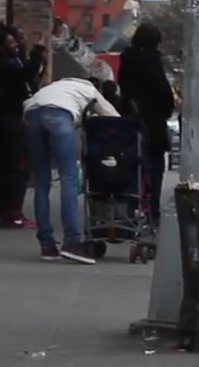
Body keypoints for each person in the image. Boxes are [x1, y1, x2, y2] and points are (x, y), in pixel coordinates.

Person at [22, 77, 120, 264]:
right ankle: (72, 242)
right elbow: (113, 118)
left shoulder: (56, 86)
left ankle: (46, 243)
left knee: (42, 181)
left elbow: (31, 103)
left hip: (32, 113)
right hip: (60, 115)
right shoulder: (90, 90)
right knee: (69, 176)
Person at [0, 23, 42, 229]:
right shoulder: (0, 66)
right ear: (0, 47)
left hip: (10, 118)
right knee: (17, 165)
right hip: (9, 119)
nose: (16, 45)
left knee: (6, 164)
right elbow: (25, 75)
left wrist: (25, 50)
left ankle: (5, 210)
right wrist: (38, 51)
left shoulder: (12, 60)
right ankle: (12, 212)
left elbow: (28, 76)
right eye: (11, 43)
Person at [116, 23, 176, 221]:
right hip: (152, 122)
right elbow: (162, 89)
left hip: (131, 122)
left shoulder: (127, 59)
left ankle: (132, 206)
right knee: (155, 167)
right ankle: (152, 209)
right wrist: (167, 108)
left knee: (133, 165)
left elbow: (124, 90)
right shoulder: (151, 60)